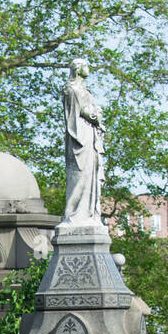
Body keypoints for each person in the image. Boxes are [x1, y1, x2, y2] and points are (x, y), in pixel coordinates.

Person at [62, 58, 105, 228]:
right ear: (78, 69)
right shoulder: (72, 89)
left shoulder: (83, 89)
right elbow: (84, 112)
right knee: (79, 176)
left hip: (89, 135)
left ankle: (89, 214)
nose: (89, 68)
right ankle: (73, 215)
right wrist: (97, 114)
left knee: (90, 175)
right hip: (80, 137)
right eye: (86, 65)